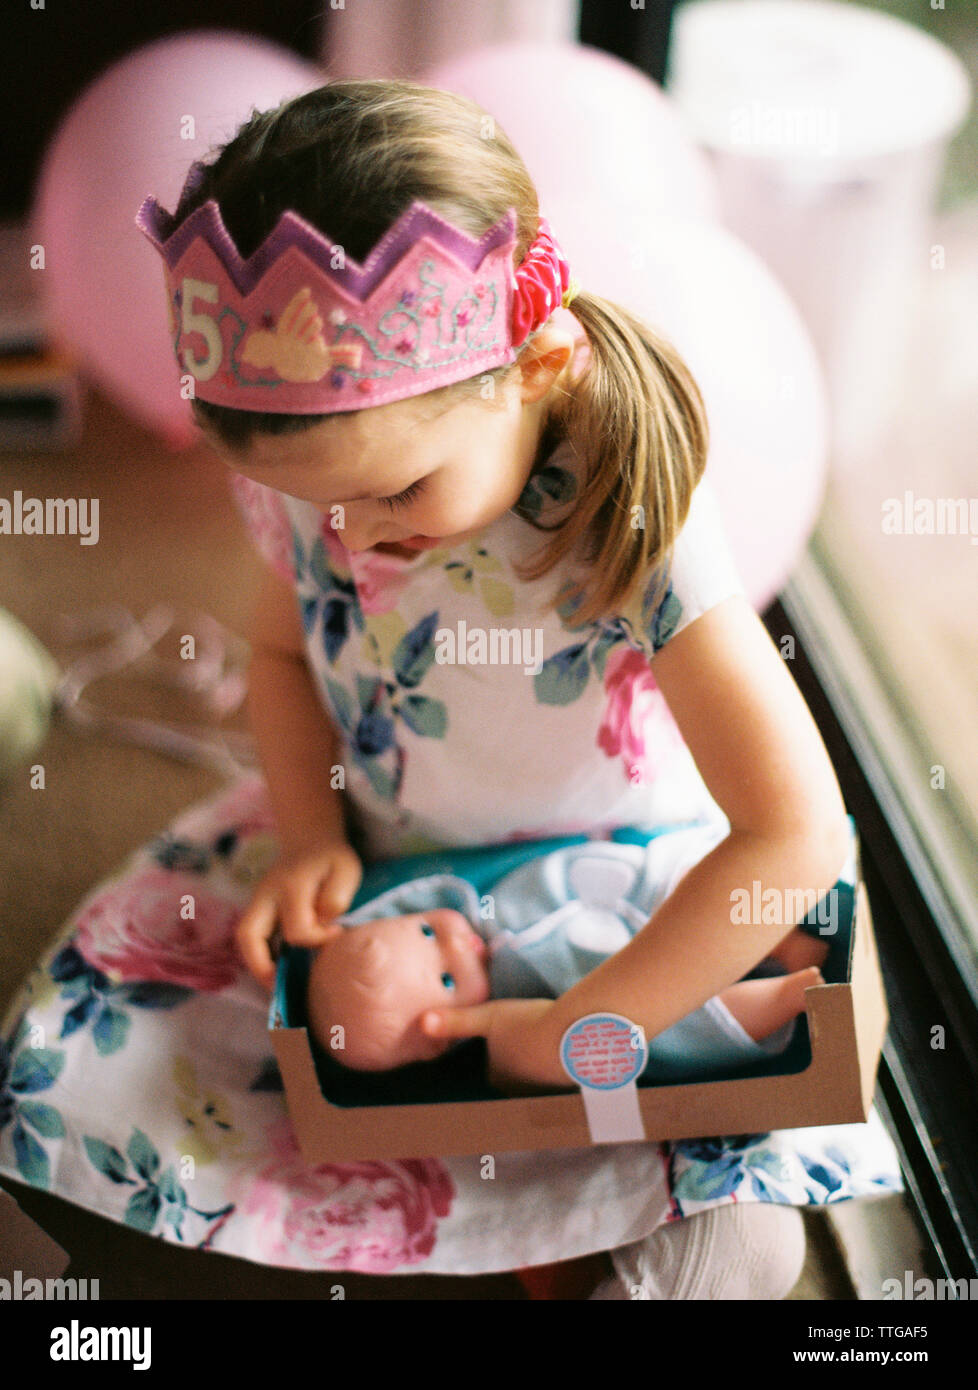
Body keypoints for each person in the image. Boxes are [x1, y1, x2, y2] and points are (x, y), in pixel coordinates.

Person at [135, 79, 854, 1297]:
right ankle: (532, 1217)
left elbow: (797, 835)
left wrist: (587, 1027)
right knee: (183, 1099)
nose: (351, 537)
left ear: (539, 365)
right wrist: (310, 830)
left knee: (740, 1246)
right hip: (405, 889)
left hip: (624, 898)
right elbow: (275, 655)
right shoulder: (323, 475)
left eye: (399, 493)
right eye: (322, 504)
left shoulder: (632, 516)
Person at [301, 829, 829, 1080]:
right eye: (445, 980)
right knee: (683, 1028)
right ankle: (789, 994)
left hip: (652, 902)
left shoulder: (492, 902)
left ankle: (782, 941)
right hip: (644, 999)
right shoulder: (504, 1026)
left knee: (708, 889)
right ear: (442, 1034)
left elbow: (569, 873)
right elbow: (565, 1055)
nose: (454, 943)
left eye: (423, 931)